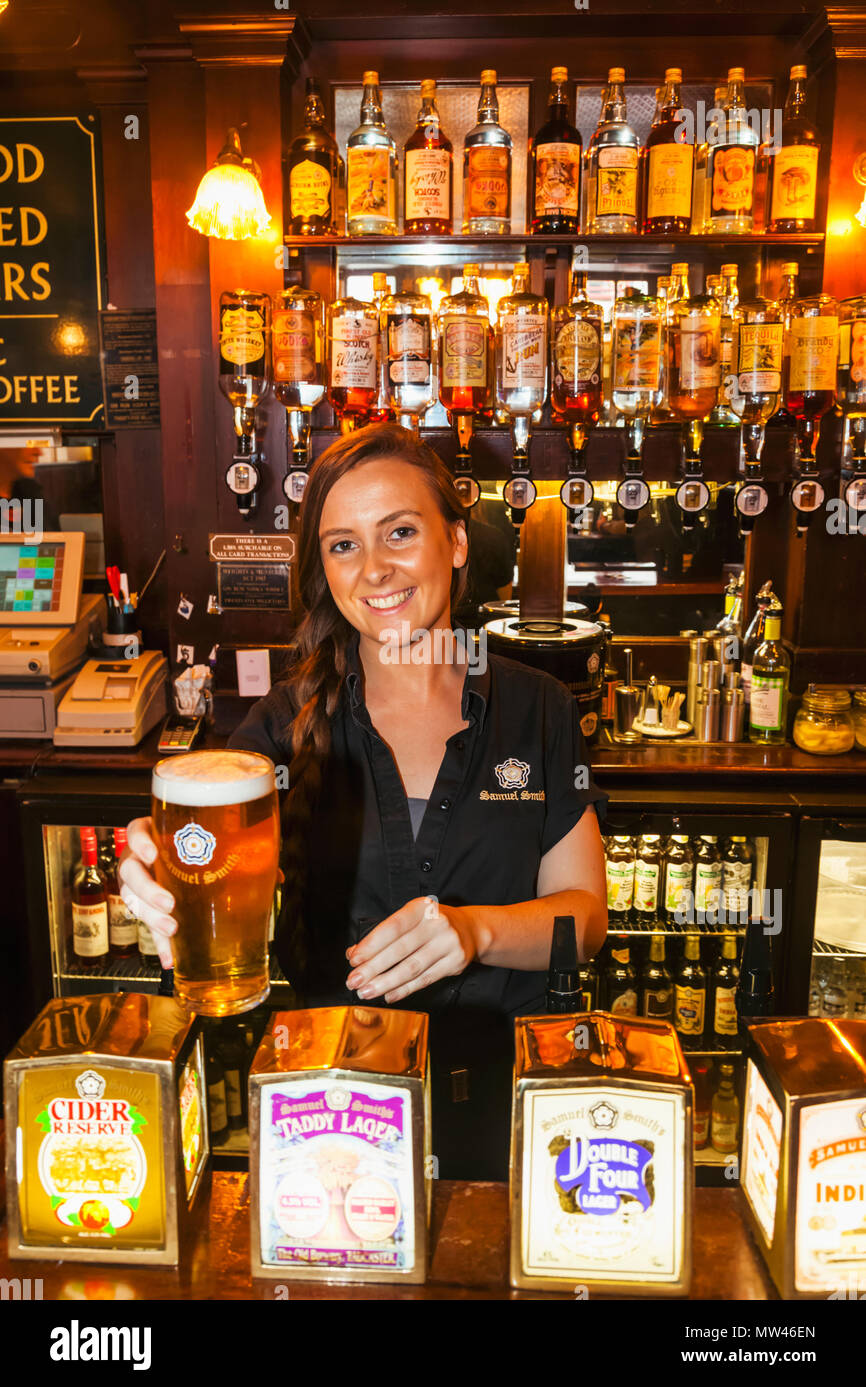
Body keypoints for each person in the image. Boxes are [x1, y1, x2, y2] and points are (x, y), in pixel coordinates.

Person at [120, 423, 607, 1179]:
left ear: (456, 542)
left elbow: (585, 922)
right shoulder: (284, 723)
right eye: (343, 545)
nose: (375, 568)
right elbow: (207, 847)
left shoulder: (537, 708)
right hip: (334, 1117)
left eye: (400, 532)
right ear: (324, 568)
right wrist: (158, 867)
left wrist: (475, 931)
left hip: (507, 1106)